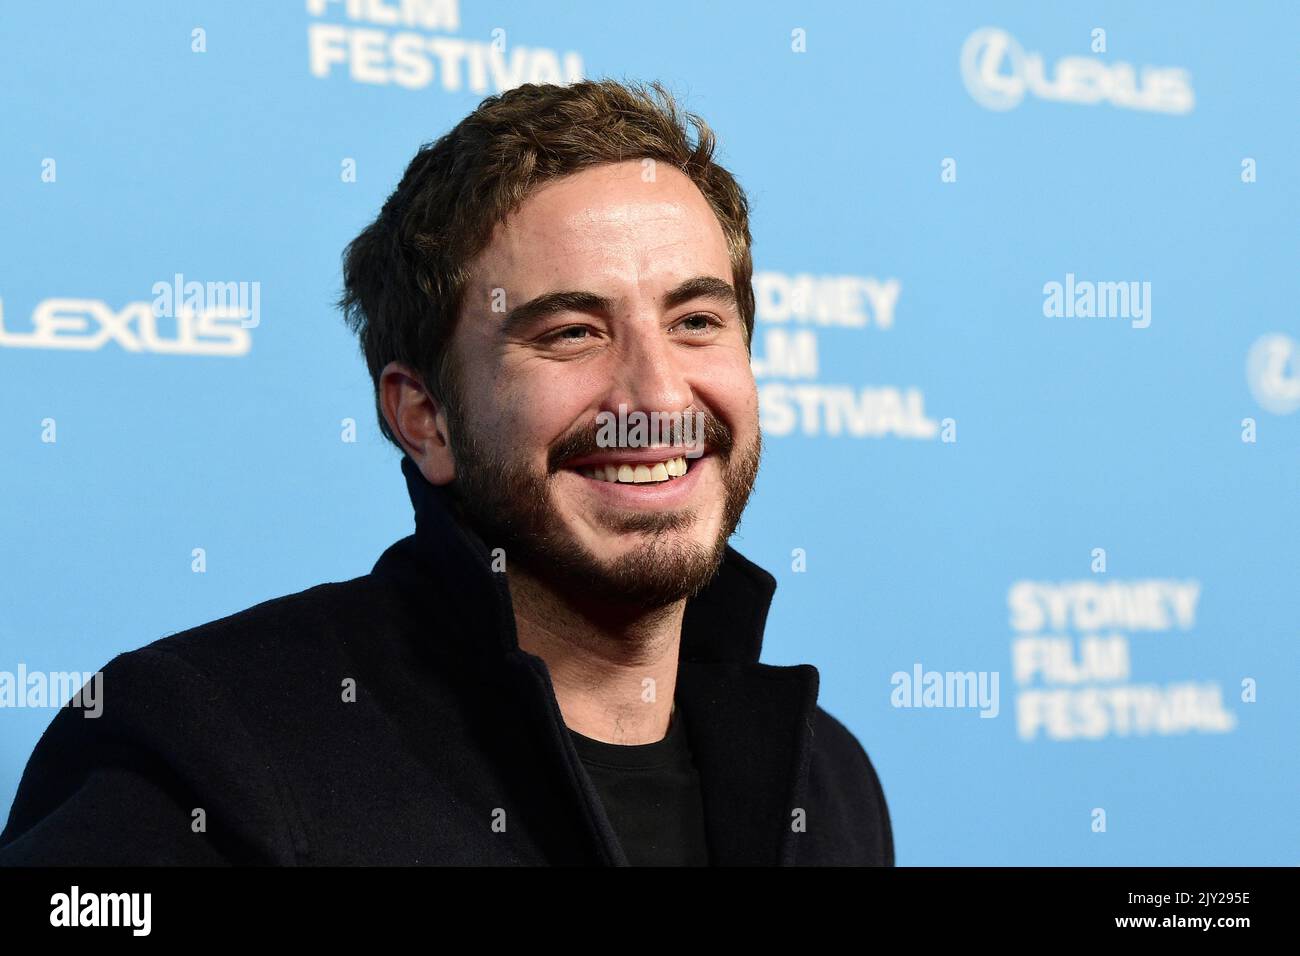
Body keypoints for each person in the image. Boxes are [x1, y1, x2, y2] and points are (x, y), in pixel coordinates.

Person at [0, 78, 893, 866]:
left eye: (696, 320)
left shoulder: (829, 778)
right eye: (571, 332)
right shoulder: (202, 748)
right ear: (424, 418)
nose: (656, 393)